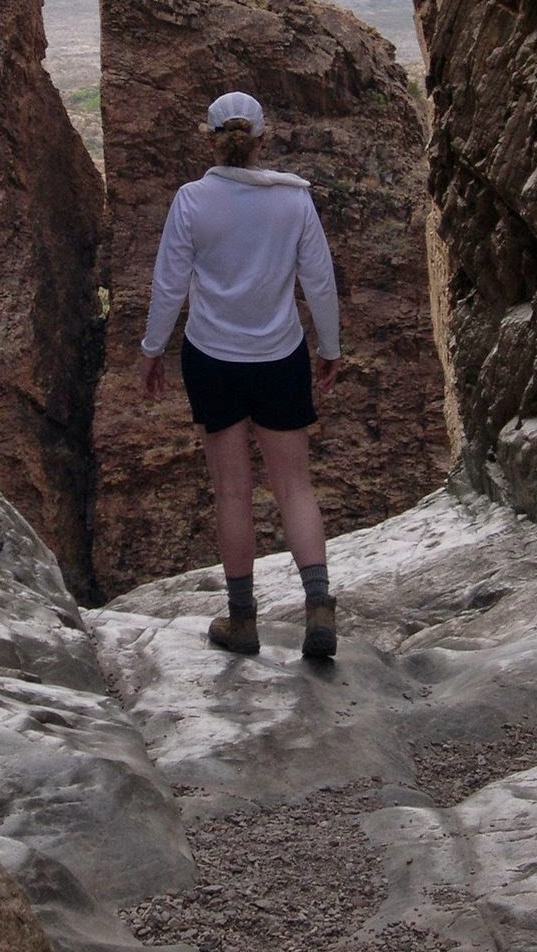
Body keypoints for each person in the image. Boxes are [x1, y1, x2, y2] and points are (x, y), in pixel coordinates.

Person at [139, 90, 341, 659]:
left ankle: (242, 620)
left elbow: (169, 284)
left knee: (232, 491)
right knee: (294, 486)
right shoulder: (293, 202)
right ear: (262, 140)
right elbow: (319, 281)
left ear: (210, 139)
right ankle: (319, 609)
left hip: (213, 359)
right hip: (281, 356)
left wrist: (151, 349)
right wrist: (331, 346)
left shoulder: (191, 200)